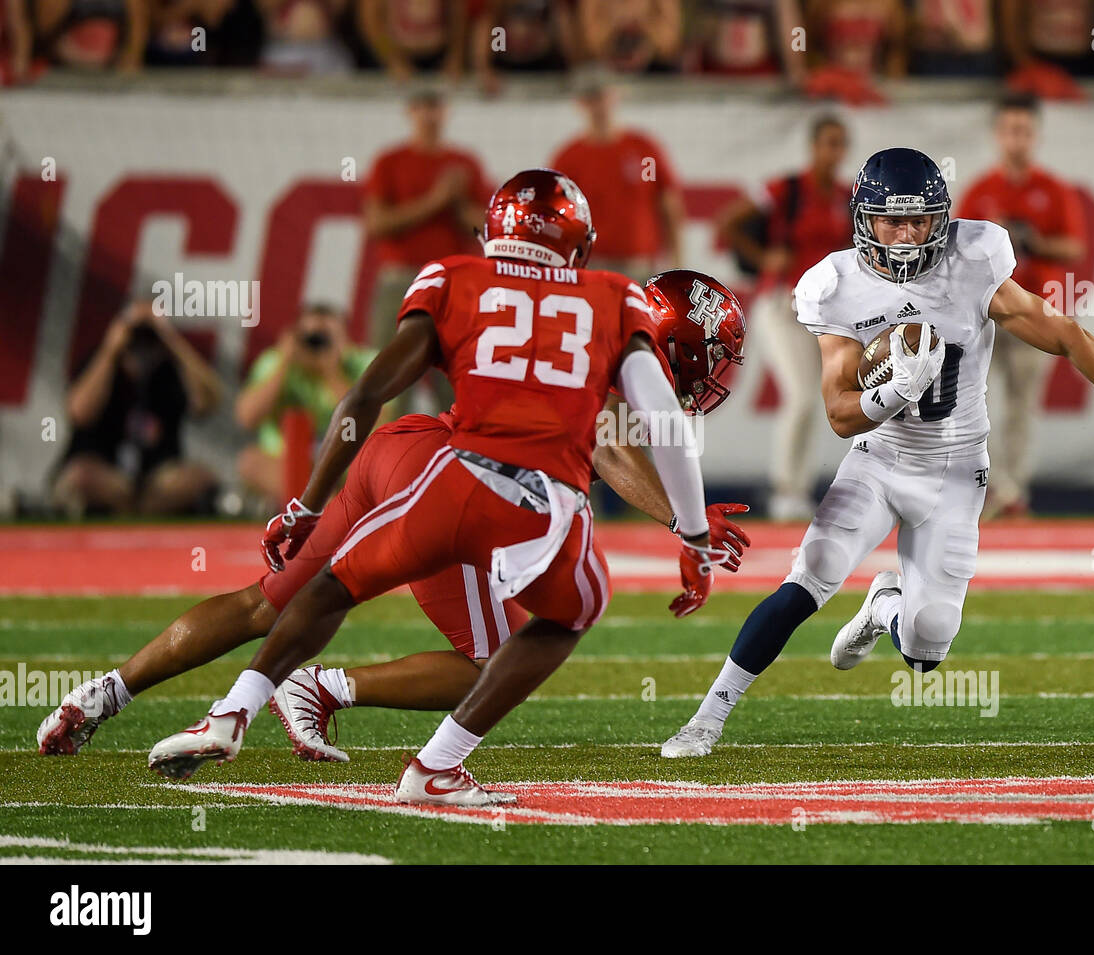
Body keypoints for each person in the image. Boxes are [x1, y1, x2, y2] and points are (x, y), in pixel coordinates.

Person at [147, 170, 731, 806]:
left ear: (492, 234)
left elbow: (366, 392)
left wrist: (306, 502)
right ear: (582, 247)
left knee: (331, 585)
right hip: (534, 502)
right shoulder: (613, 299)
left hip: (444, 475)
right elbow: (656, 427)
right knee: (573, 610)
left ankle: (231, 713)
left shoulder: (456, 277)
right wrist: (693, 532)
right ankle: (434, 763)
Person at [37, 268, 750, 763]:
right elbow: (604, 445)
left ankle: (104, 692)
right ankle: (325, 691)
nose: (709, 372)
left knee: (265, 604)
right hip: (454, 475)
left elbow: (369, 390)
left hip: (395, 447)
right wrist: (682, 523)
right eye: (709, 355)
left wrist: (305, 502)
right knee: (491, 661)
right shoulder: (608, 330)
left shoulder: (523, 298)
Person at [661, 147, 1094, 758]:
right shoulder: (836, 286)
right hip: (878, 458)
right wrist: (891, 394)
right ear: (864, 221)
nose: (908, 235)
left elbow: (1066, 334)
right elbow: (836, 411)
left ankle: (885, 606)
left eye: (920, 220)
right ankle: (707, 717)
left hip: (960, 468)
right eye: (892, 221)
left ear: (942, 218)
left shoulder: (974, 260)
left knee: (927, 645)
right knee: (813, 571)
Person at [956, 92, 1086, 518]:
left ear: (1036, 136)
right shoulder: (981, 191)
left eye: (1025, 131)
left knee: (1022, 406)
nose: (1017, 139)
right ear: (999, 134)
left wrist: (1035, 241)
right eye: (1011, 130)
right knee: (979, 404)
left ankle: (1012, 492)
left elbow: (1074, 246)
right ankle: (993, 487)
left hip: (1036, 309)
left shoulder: (1052, 190)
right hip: (989, 313)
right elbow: (954, 251)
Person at [716, 114, 850, 521]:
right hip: (783, 304)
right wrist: (762, 258)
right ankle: (786, 487)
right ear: (813, 146)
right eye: (828, 143)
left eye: (840, 144)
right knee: (802, 396)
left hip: (826, 311)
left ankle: (799, 486)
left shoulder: (847, 198)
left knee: (820, 399)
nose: (834, 152)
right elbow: (727, 223)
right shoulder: (787, 189)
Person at [364, 91, 489, 409]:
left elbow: (487, 226)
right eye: (424, 106)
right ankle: (386, 455)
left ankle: (456, 455)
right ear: (411, 111)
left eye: (437, 105)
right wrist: (435, 201)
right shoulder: (390, 162)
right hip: (403, 280)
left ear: (446, 111)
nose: (431, 115)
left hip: (456, 282)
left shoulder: (465, 163)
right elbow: (377, 223)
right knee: (390, 382)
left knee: (461, 385)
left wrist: (456, 201)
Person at [53, 300, 221, 517]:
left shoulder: (169, 371)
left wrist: (170, 338)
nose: (140, 346)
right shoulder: (100, 363)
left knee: (199, 478)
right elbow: (78, 413)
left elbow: (209, 401)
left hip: (156, 479)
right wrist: (110, 350)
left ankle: (138, 509)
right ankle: (127, 507)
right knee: (80, 476)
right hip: (103, 469)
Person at [235, 303, 378, 507]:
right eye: (311, 338)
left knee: (375, 464)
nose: (317, 345)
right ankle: (323, 507)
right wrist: (284, 363)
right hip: (286, 463)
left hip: (344, 464)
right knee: (250, 462)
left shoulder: (363, 363)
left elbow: (375, 422)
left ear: (344, 338)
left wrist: (331, 373)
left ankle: (316, 508)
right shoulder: (277, 361)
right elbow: (246, 418)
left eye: (326, 338)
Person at [549, 81, 684, 280]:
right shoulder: (569, 158)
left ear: (614, 96)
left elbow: (667, 204)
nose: (598, 106)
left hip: (639, 263)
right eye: (590, 100)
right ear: (579, 104)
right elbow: (557, 214)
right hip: (591, 264)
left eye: (601, 97)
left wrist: (676, 259)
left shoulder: (643, 151)